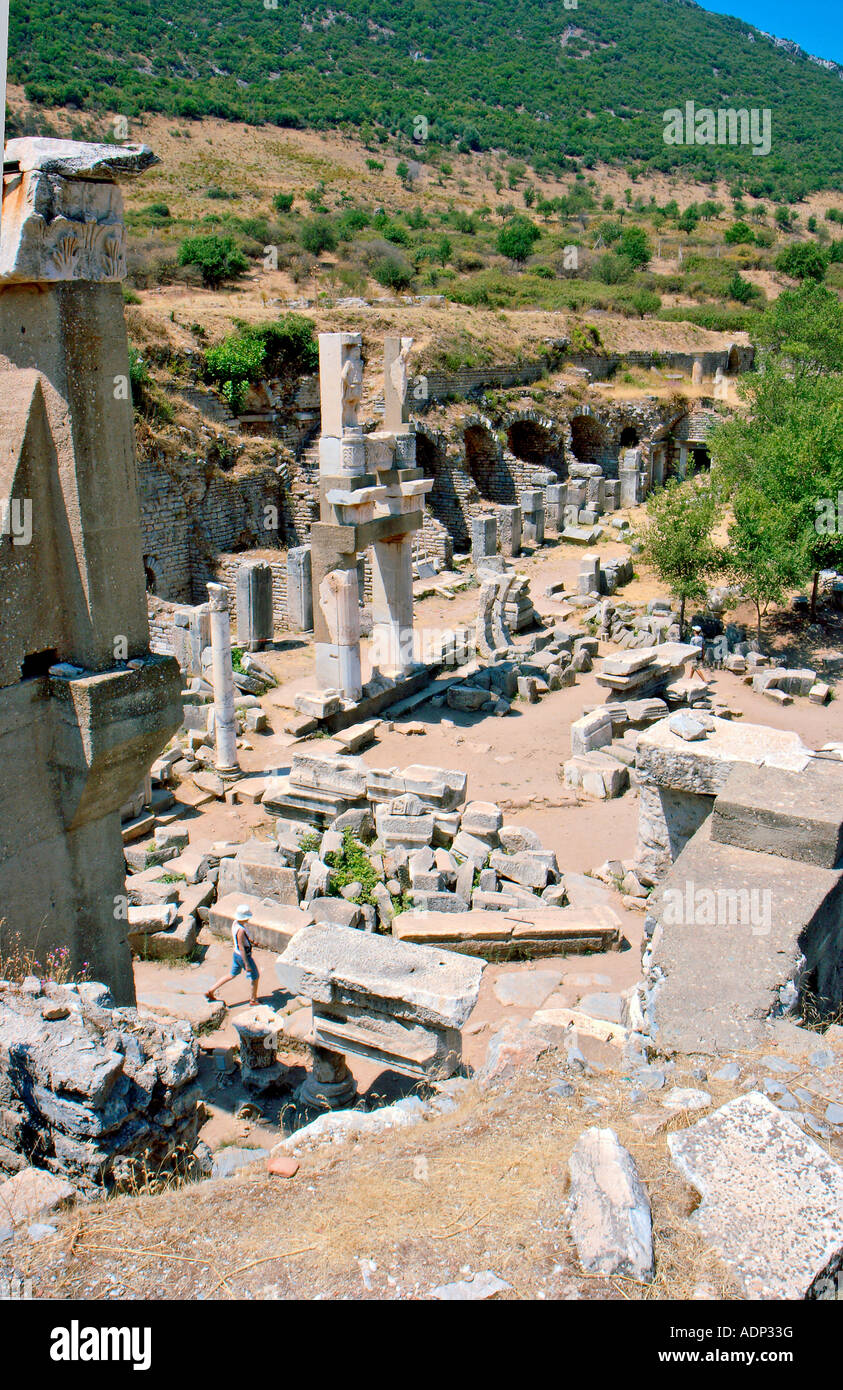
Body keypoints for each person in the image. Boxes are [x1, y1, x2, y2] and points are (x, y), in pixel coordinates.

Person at [206, 904, 260, 1007]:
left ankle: (211, 990)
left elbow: (242, 941)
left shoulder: (235, 924)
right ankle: (253, 1000)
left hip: (236, 954)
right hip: (243, 956)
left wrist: (251, 942)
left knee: (231, 975)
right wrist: (247, 964)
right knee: (255, 977)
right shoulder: (241, 930)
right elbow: (241, 947)